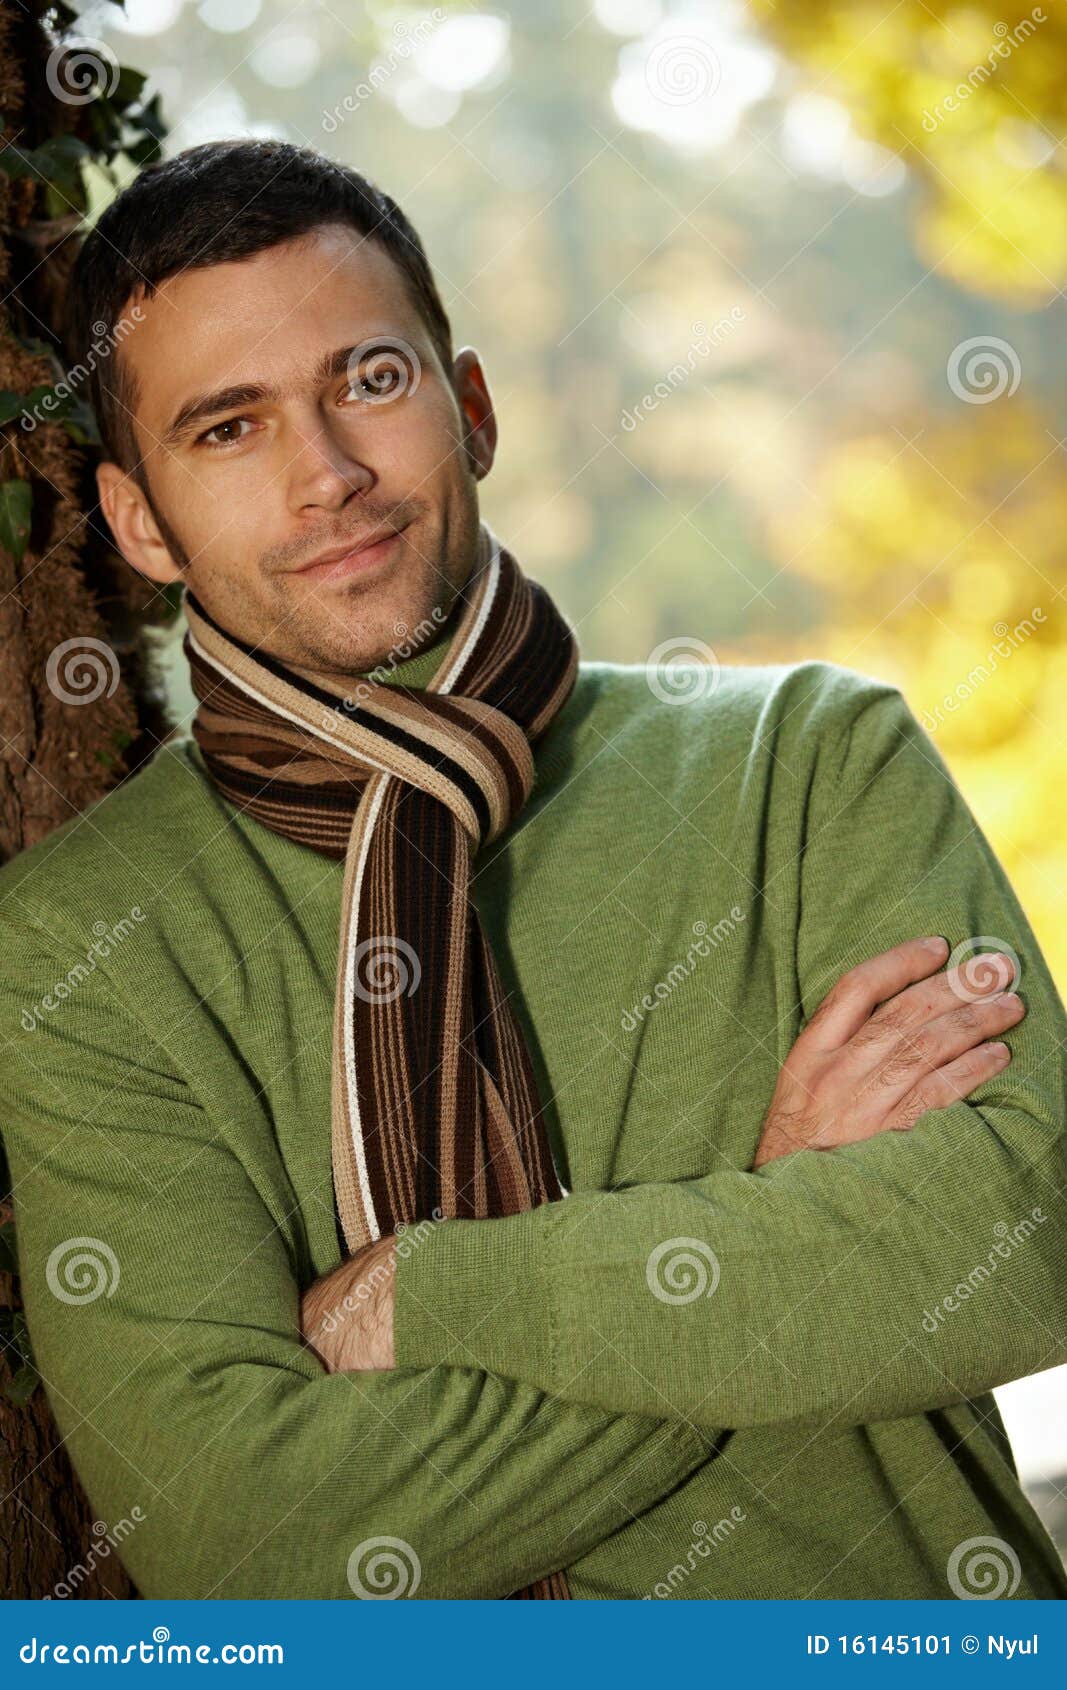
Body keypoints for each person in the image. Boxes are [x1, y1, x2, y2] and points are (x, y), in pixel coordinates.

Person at [0, 139, 1063, 1601]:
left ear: (473, 408)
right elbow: (252, 1549)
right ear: (139, 521)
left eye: (370, 380)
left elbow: (1024, 1243)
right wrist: (763, 1227)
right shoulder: (82, 939)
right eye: (229, 429)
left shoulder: (811, 758)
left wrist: (425, 1296)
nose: (329, 476)